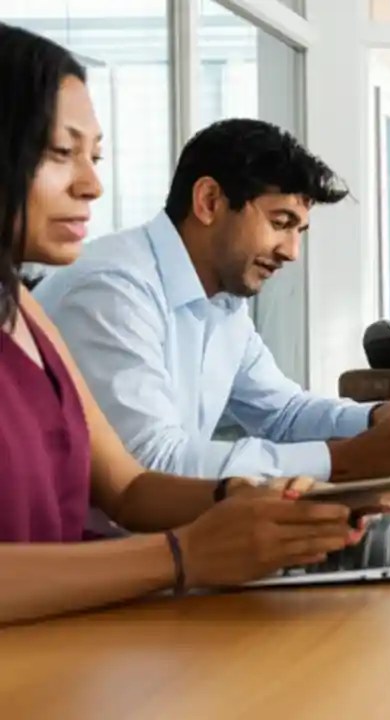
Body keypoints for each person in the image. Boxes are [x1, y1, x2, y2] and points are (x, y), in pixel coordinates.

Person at [0, 23, 365, 623]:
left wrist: (237, 497)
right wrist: (183, 554)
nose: (92, 185)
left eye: (95, 157)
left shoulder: (22, 306)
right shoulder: (109, 285)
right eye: (62, 152)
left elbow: (128, 486)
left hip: (64, 633)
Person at [34, 118, 390, 483]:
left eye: (299, 232)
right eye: (280, 223)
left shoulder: (222, 301)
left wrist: (377, 418)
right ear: (209, 201)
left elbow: (281, 413)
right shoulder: (113, 290)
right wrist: (342, 459)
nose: (291, 252)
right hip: (86, 542)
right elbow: (152, 465)